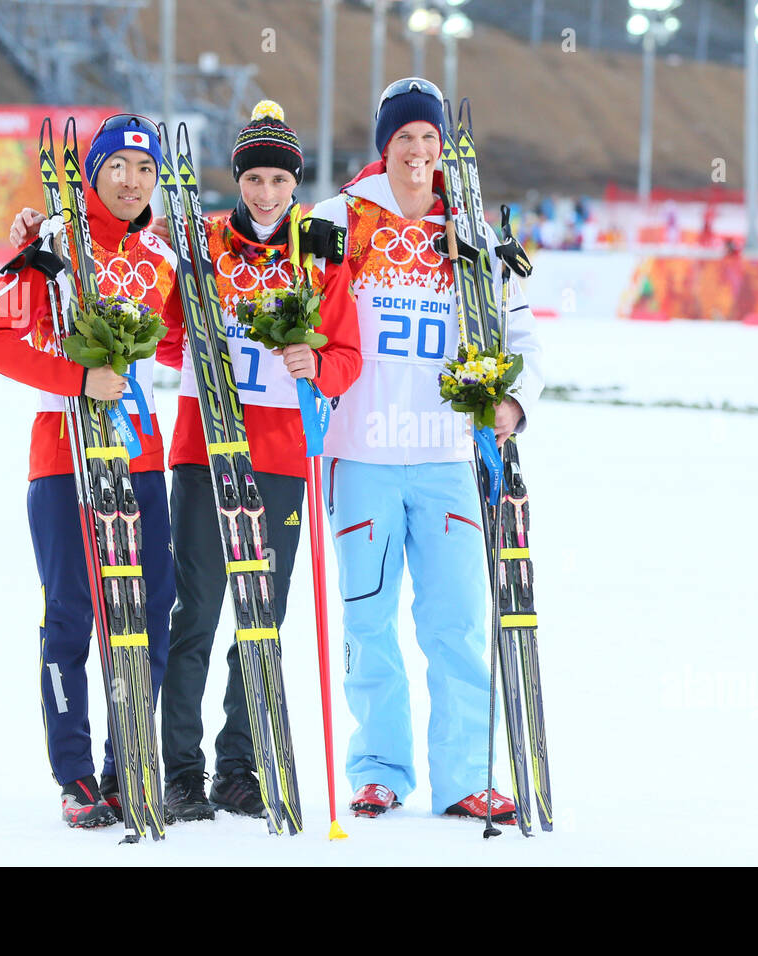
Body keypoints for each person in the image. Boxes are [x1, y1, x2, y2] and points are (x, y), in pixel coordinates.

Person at [307, 77, 543, 824]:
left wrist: (513, 401)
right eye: (403, 137)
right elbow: (272, 270)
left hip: (446, 457)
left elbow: (523, 336)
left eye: (428, 138)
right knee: (368, 620)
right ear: (385, 145)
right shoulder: (338, 219)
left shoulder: (473, 230)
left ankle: (467, 773)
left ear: (444, 148)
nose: (416, 150)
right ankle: (379, 769)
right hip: (363, 452)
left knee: (456, 624)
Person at [0, 115, 180, 828]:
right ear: (92, 172)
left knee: (148, 616)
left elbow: (181, 343)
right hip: (62, 455)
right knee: (73, 616)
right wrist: (74, 379)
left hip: (141, 456)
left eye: (145, 170)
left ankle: (129, 765)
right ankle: (76, 775)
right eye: (117, 166)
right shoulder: (51, 243)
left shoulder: (161, 257)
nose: (131, 181)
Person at [152, 101, 361, 822]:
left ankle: (237, 766)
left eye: (278, 179)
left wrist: (316, 363)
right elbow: (165, 333)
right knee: (198, 611)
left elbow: (347, 357)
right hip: (205, 447)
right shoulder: (200, 240)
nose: (266, 193)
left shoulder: (321, 248)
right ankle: (180, 770)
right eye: (254, 178)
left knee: (260, 616)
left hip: (282, 456)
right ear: (237, 179)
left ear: (294, 182)